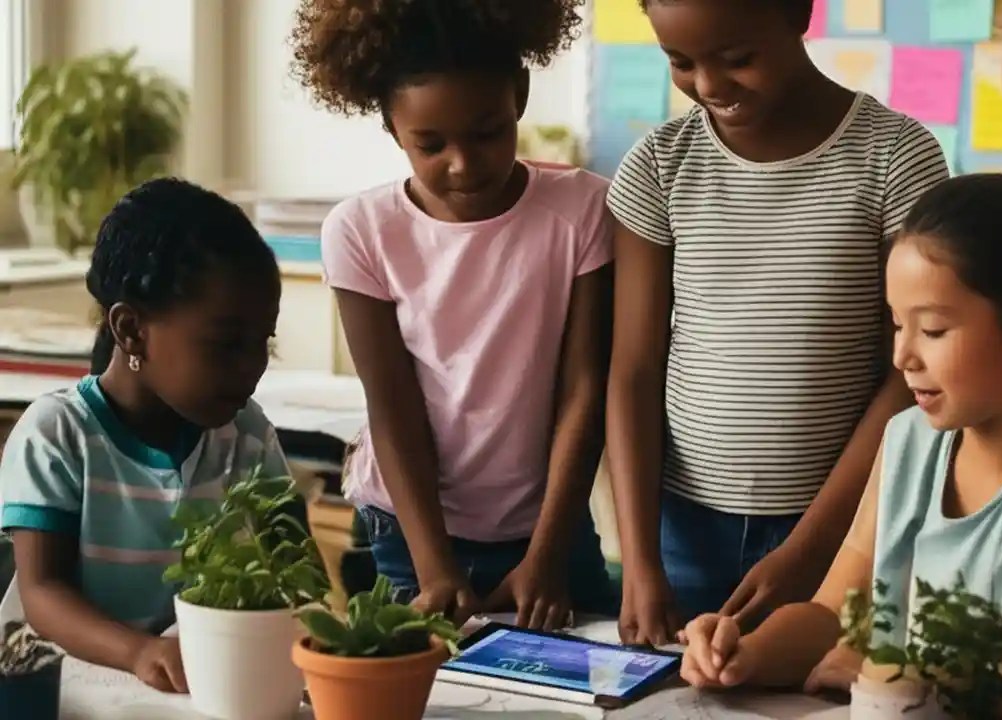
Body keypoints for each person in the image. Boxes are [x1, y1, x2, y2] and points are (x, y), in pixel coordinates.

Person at [679, 175, 1002, 718]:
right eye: (897, 324)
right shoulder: (908, 440)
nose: (903, 355)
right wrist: (742, 653)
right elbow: (835, 613)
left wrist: (891, 674)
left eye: (932, 330)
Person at [606, 0, 950, 645]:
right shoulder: (659, 165)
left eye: (737, 59)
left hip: (843, 528)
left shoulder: (894, 157)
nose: (709, 87)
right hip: (682, 531)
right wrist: (639, 559)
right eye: (680, 62)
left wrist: (812, 544)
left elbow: (909, 374)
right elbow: (632, 370)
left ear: (797, 13)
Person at [290, 0, 616, 630]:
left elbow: (585, 391)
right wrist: (435, 567)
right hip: (411, 533)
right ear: (390, 125)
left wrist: (546, 554)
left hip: (548, 528)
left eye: (487, 131)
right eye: (430, 144)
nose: (463, 164)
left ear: (519, 95)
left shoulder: (581, 210)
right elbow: (394, 407)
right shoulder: (361, 231)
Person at [0, 178, 288, 693]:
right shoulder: (57, 435)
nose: (252, 368)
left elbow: (292, 572)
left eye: (262, 342)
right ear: (131, 330)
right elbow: (43, 592)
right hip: (68, 693)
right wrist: (141, 651)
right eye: (227, 344)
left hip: (196, 692)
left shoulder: (248, 436)